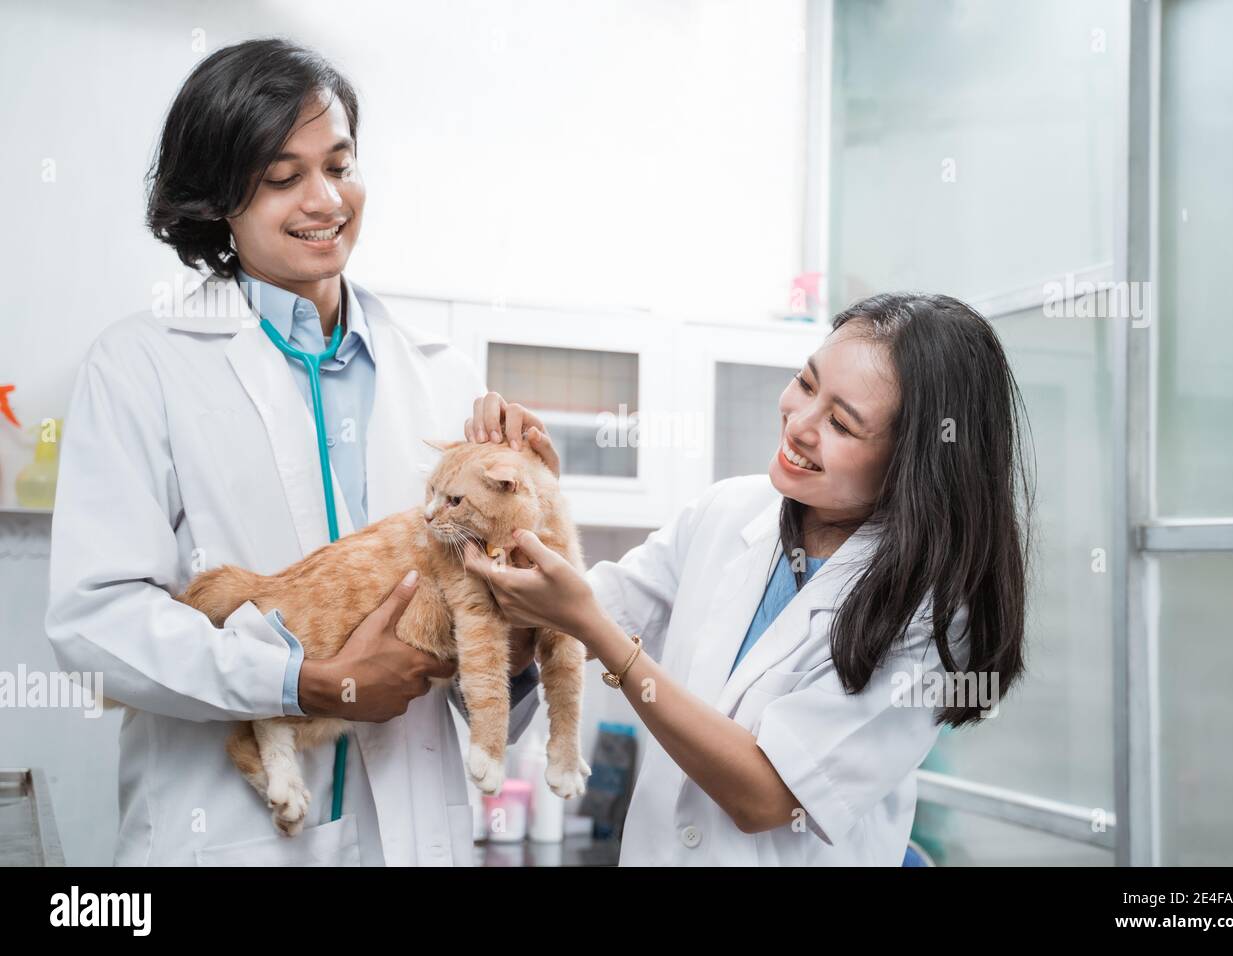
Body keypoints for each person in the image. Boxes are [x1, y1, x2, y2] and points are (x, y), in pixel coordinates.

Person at [45, 39, 539, 866]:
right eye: (282, 178)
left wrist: (525, 611)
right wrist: (302, 682)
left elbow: (480, 624)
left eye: (339, 165)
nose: (325, 199)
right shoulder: (142, 365)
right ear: (217, 200)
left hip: (412, 837)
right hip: (230, 835)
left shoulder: (442, 374)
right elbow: (93, 622)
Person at [463, 293, 1033, 865]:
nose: (799, 423)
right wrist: (530, 508)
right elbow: (545, 634)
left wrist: (594, 628)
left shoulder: (930, 616)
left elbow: (765, 797)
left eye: (840, 423)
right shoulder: (727, 512)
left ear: (911, 462)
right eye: (805, 384)